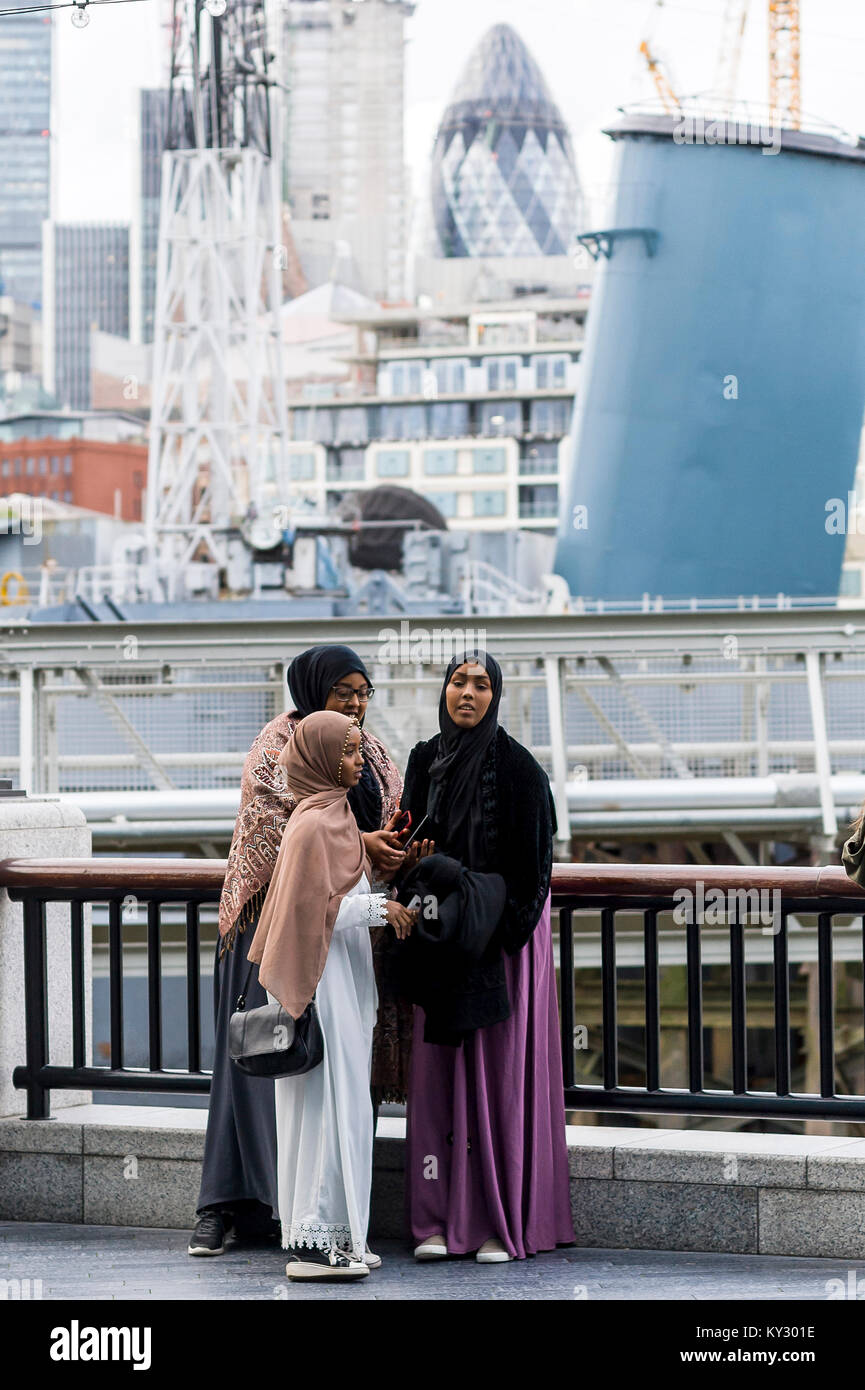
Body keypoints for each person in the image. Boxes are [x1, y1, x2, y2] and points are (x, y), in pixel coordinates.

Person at [188, 645, 409, 1257]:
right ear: (313, 689)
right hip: (274, 925)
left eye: (364, 692)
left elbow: (373, 821)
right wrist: (362, 844)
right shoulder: (277, 746)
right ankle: (231, 1203)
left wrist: (391, 849)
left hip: (346, 936)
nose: (356, 704)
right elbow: (291, 836)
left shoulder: (369, 752)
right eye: (343, 692)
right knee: (263, 1057)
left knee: (328, 1073)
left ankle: (320, 1215)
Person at [400, 651, 575, 1263]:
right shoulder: (425, 759)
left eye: (481, 685)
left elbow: (535, 871)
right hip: (441, 937)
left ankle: (502, 1222)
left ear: (495, 696)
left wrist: (496, 929)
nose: (468, 694)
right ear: (444, 690)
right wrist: (417, 866)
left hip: (501, 945)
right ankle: (436, 1219)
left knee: (498, 1081)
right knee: (438, 1081)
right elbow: (406, 843)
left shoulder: (520, 769)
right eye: (458, 682)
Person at [246, 711, 418, 1280]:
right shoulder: (313, 825)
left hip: (344, 980)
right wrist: (380, 908)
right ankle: (315, 1245)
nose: (358, 761)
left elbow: (337, 889)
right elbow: (310, 909)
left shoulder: (335, 816)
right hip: (325, 989)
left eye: (358, 750)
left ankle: (341, 1236)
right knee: (326, 1109)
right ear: (320, 758)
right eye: (347, 751)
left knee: (344, 1108)